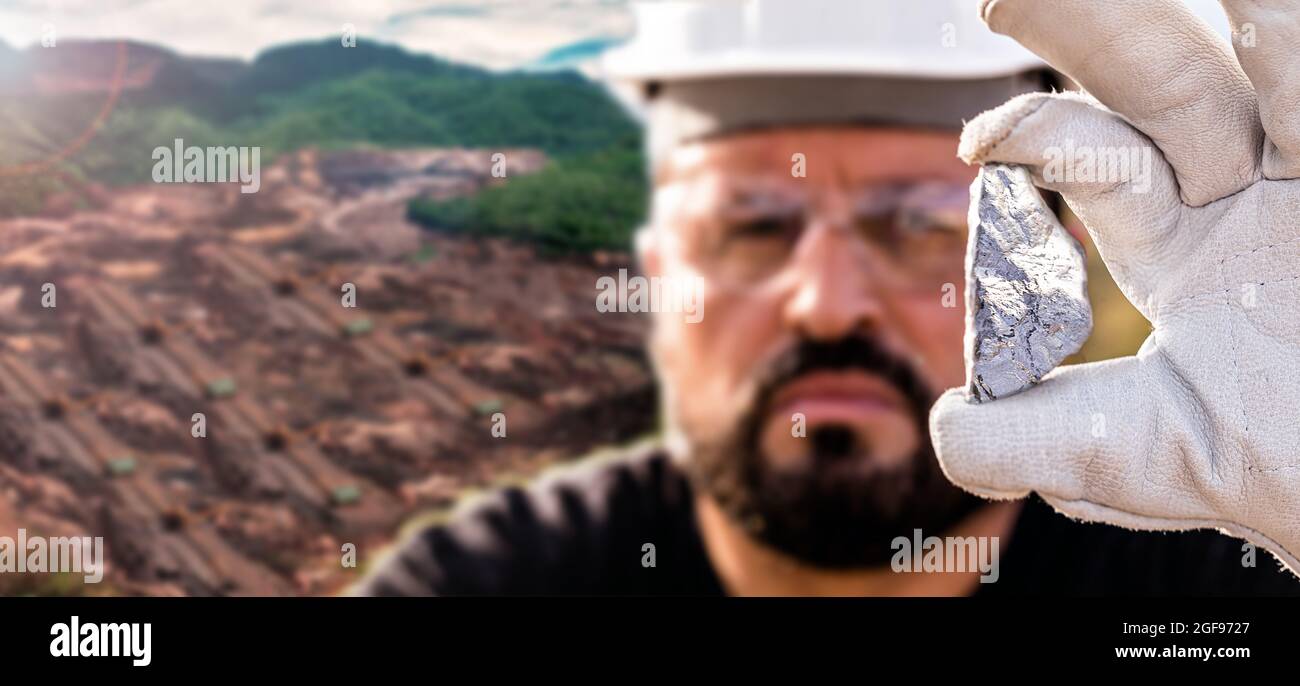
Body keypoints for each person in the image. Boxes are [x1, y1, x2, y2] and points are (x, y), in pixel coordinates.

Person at [357, 0, 1300, 596]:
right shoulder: (485, 581)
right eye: (753, 225)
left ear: (1064, 260)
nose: (826, 303)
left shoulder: (1226, 579)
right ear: (655, 278)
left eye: (926, 225)